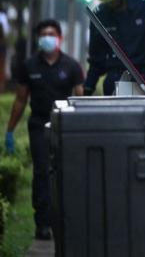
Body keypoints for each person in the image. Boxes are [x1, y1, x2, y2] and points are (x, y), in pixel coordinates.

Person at [6, 19, 84, 240]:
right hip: (39, 125)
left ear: (59, 38)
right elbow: (20, 100)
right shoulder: (29, 66)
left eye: (51, 34)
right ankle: (42, 223)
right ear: (38, 39)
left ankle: (67, 220)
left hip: (64, 126)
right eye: (43, 35)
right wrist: (10, 130)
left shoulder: (71, 66)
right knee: (42, 172)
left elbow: (80, 98)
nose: (47, 38)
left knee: (65, 172)